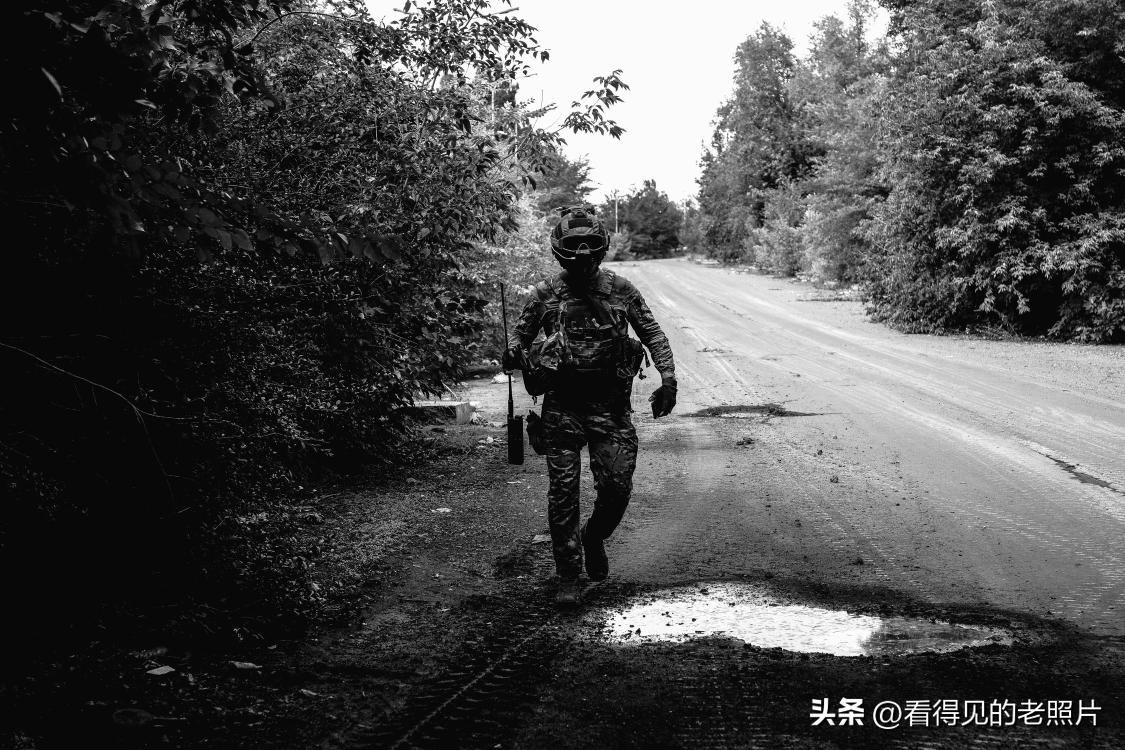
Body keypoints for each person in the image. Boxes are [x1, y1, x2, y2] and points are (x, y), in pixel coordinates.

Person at [503, 205, 677, 606]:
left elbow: (654, 334)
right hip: (562, 408)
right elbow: (521, 336)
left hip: (611, 409)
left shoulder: (621, 290)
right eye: (574, 246)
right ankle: (568, 575)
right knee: (562, 492)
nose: (582, 253)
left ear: (601, 249)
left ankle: (593, 537)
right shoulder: (546, 294)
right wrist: (512, 352)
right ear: (560, 250)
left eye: (590, 246)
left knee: (617, 489)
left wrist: (668, 380)